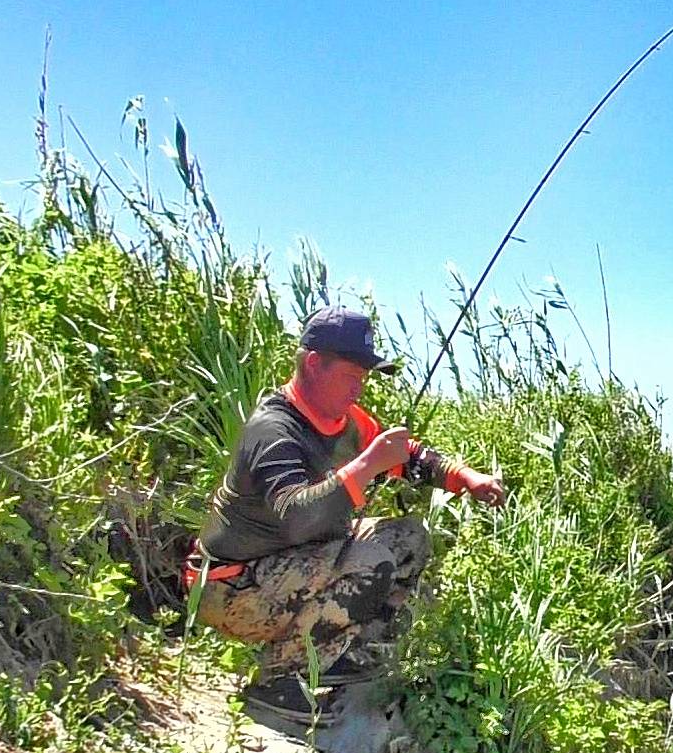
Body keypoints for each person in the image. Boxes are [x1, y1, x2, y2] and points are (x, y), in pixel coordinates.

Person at [185, 305, 505, 723]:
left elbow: (405, 455)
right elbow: (295, 515)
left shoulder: (346, 421)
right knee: (371, 561)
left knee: (409, 539)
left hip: (291, 561)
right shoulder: (273, 429)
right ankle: (280, 679)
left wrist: (465, 478)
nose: (359, 389)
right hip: (229, 586)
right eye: (352, 376)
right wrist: (366, 466)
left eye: (364, 378)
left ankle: (342, 653)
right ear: (314, 364)